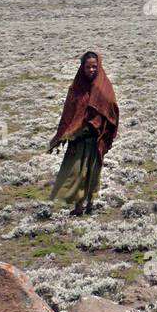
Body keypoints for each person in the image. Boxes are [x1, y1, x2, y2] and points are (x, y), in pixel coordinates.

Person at [48, 50, 119, 216]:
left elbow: (112, 110)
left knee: (93, 173)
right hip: (78, 138)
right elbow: (69, 113)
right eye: (88, 67)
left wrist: (99, 126)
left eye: (94, 66)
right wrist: (66, 133)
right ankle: (78, 206)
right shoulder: (76, 88)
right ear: (82, 67)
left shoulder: (104, 87)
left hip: (96, 138)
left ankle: (90, 205)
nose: (91, 70)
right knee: (76, 173)